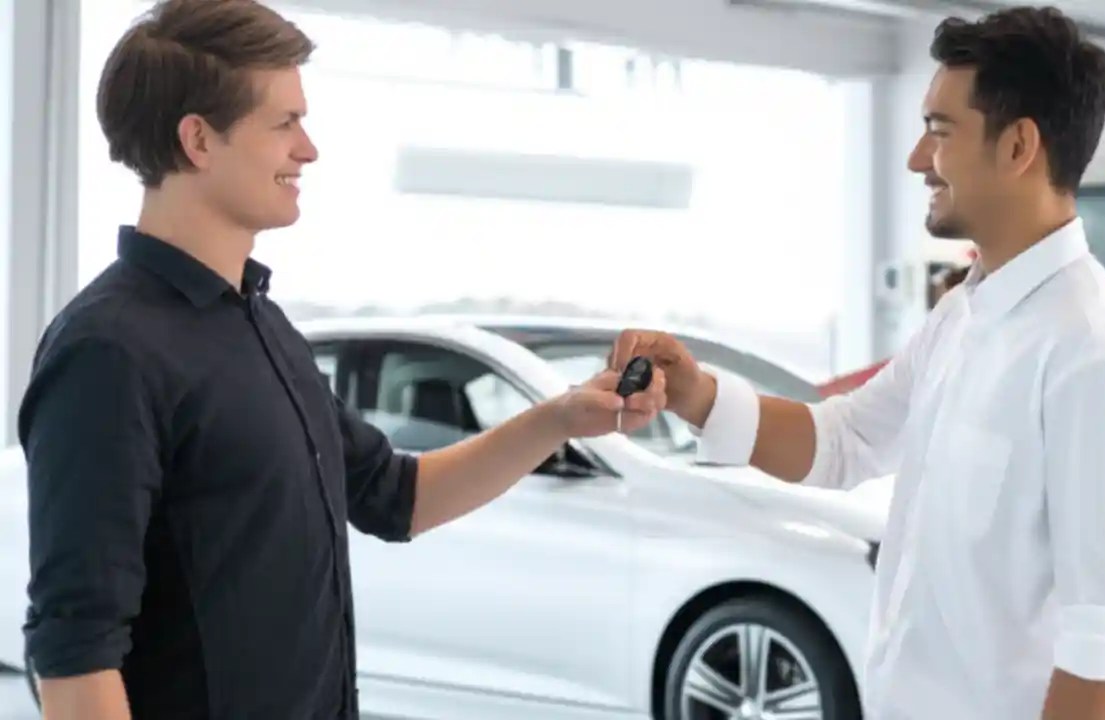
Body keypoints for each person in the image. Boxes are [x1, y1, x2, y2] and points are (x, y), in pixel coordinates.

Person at [16, 1, 665, 718]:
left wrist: (563, 417)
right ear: (199, 140)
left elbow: (397, 495)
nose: (309, 150)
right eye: (284, 123)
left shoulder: (262, 326)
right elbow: (78, 654)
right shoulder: (108, 352)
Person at [611, 6, 1105, 720]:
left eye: (940, 132)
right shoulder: (962, 316)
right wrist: (694, 395)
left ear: (1017, 148)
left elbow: (1104, 661)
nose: (918, 159)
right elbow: (842, 440)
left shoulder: (1102, 358)